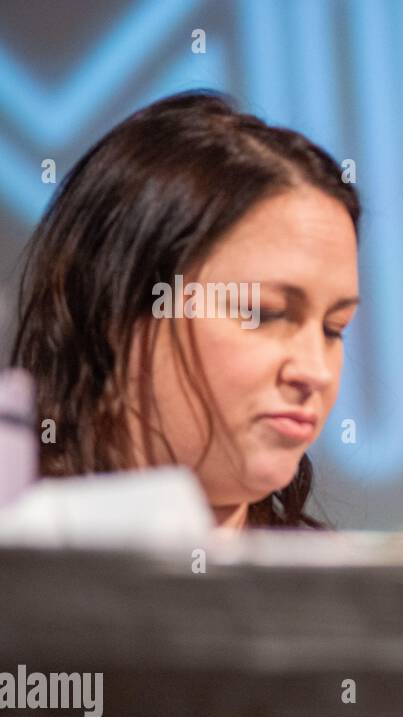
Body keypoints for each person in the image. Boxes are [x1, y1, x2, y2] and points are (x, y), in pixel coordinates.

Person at [7, 90, 360, 530]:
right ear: (120, 306)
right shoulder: (25, 573)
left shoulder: (341, 592)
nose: (315, 373)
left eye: (334, 328)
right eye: (263, 313)